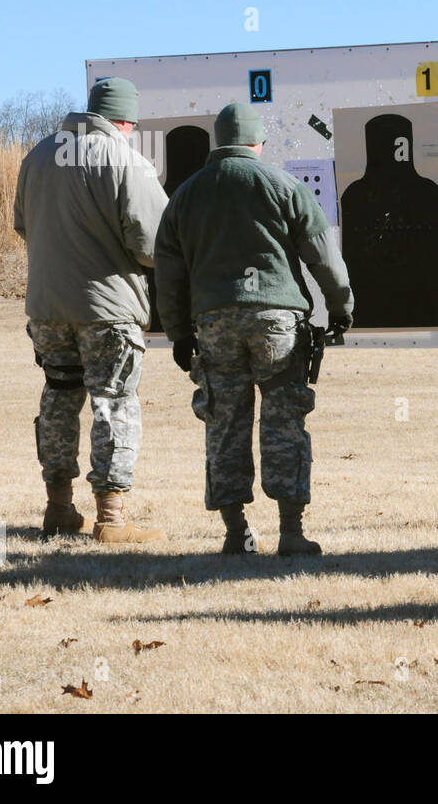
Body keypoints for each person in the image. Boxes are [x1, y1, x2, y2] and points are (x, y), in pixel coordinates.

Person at [155, 103, 353, 555]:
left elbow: (168, 272)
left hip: (214, 321)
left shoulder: (186, 194)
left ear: (218, 142)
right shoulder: (284, 185)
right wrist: (342, 307)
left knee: (224, 423)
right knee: (284, 422)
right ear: (257, 143)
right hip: (278, 321)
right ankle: (291, 531)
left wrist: (179, 333)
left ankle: (235, 531)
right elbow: (324, 255)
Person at [14, 76, 168, 542]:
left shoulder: (39, 155)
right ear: (126, 120)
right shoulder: (125, 159)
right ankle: (112, 518)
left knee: (59, 396)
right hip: (107, 309)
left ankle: (58, 507)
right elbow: (153, 242)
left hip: (46, 306)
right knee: (113, 403)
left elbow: (23, 224)